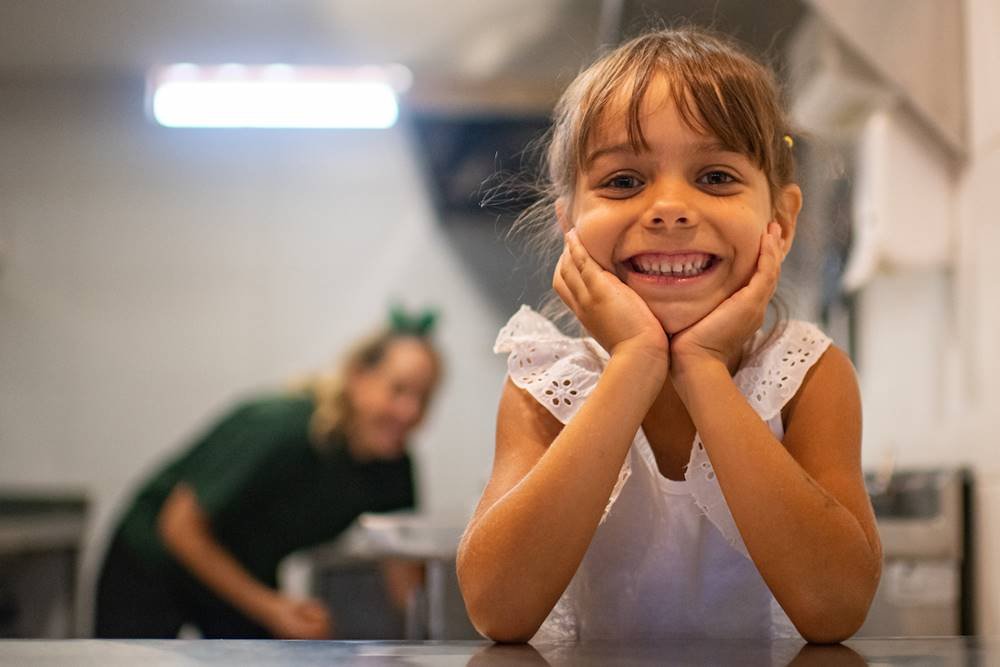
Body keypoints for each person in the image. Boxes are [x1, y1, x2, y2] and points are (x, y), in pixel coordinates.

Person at [457, 27, 882, 644]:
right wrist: (634, 361)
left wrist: (702, 367)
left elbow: (837, 606)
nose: (670, 208)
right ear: (570, 226)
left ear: (782, 222)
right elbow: (498, 609)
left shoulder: (807, 375)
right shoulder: (545, 384)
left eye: (715, 177)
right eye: (624, 181)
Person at [95, 310, 441, 639]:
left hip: (237, 570)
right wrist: (272, 609)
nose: (410, 412)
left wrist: (429, 643)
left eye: (423, 399)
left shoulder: (393, 468)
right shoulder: (284, 429)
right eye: (398, 390)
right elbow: (178, 526)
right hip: (151, 560)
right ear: (357, 377)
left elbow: (404, 576)